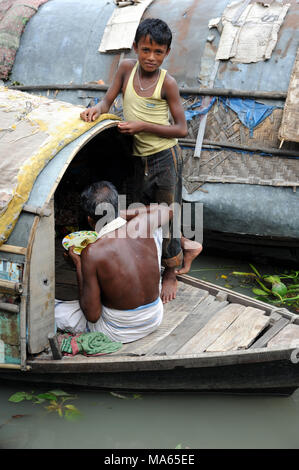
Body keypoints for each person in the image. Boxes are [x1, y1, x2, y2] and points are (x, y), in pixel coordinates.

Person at [80, 18, 202, 303]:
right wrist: (96, 110)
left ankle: (170, 273)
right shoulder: (125, 69)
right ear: (135, 47)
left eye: (158, 52)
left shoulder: (167, 83)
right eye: (146, 50)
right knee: (133, 210)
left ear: (167, 53)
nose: (150, 57)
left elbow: (181, 129)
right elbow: (107, 101)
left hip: (164, 157)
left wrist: (142, 126)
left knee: (168, 213)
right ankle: (174, 250)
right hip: (136, 156)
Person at [55, 181, 173, 343]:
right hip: (154, 318)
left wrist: (79, 265)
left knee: (53, 311)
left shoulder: (93, 251)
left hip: (118, 331)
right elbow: (165, 210)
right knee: (157, 228)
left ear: (90, 220)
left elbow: (93, 315)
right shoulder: (142, 224)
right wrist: (121, 215)